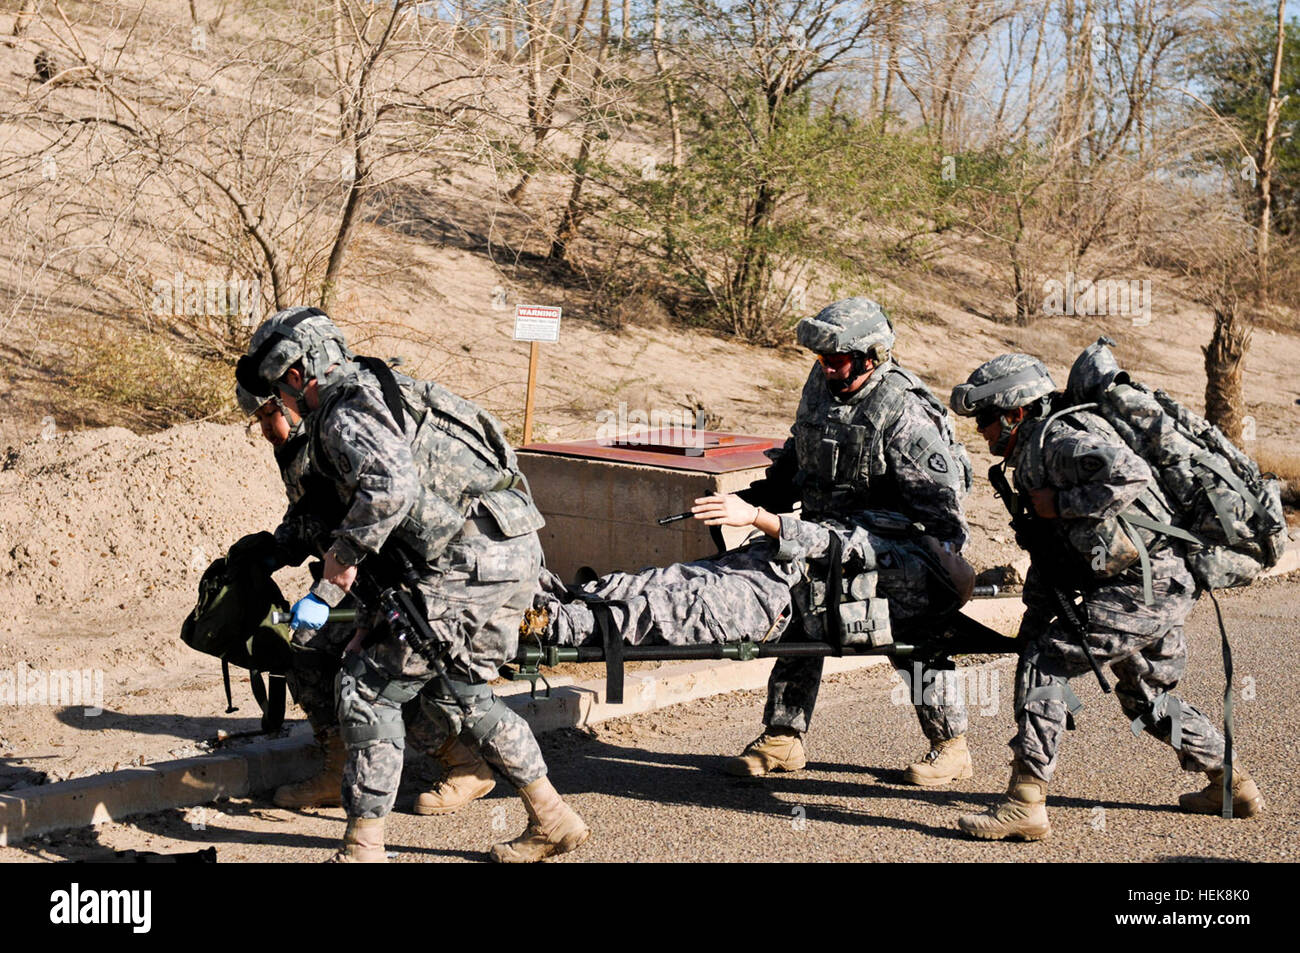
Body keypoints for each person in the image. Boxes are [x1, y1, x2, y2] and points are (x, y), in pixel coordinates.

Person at [236, 306, 588, 863]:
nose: (282, 401)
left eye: (281, 387)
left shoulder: (342, 411)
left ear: (298, 374)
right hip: (506, 551)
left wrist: (343, 559)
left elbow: (392, 486)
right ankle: (553, 817)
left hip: (465, 563)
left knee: (368, 686)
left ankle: (364, 848)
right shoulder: (388, 385)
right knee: (463, 693)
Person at [947, 353, 1264, 841]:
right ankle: (1231, 782)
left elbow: (1129, 474)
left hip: (1141, 584)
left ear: (1014, 411)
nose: (983, 433)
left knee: (1046, 664)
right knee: (1145, 696)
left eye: (986, 419)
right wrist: (1036, 613)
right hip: (1154, 581)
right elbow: (1054, 548)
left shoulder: (1057, 439)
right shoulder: (1039, 445)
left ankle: (1025, 802)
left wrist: (1062, 503)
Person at [693, 297, 978, 785]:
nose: (826, 368)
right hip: (823, 537)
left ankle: (950, 746)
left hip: (894, 549)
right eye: (821, 359)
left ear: (870, 356)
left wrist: (883, 549)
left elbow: (944, 520)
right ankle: (783, 737)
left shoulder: (904, 412)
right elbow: (800, 451)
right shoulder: (823, 386)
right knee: (798, 613)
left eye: (836, 359)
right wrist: (761, 496)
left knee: (906, 636)